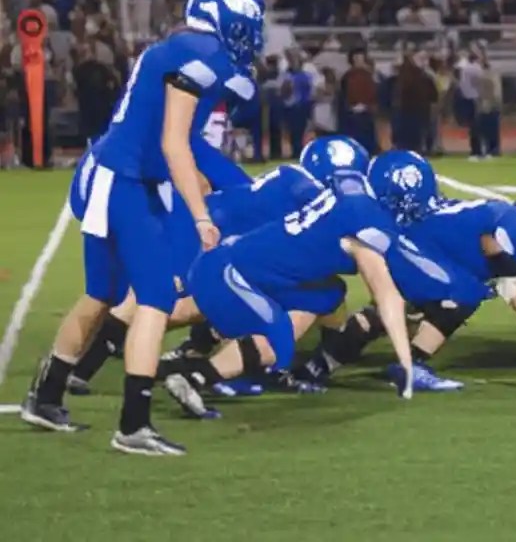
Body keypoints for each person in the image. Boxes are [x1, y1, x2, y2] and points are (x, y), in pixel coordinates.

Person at [21, 0, 263, 455]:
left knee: (102, 294)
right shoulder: (202, 54)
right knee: (154, 296)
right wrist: (199, 215)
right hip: (125, 180)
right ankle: (134, 424)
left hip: (115, 172)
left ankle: (45, 396)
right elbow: (174, 143)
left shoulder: (181, 44)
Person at [66, 136, 371, 395]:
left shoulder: (291, 176)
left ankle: (85, 368)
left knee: (167, 302)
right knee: (170, 304)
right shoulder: (315, 198)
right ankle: (224, 370)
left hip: (202, 223)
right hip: (211, 235)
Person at [162, 167, 420, 419]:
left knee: (327, 295)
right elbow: (388, 297)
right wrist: (406, 363)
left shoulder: (348, 194)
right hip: (234, 274)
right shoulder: (368, 226)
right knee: (276, 339)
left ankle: (180, 355)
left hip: (240, 262)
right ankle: (190, 374)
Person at [293, 183, 516, 392]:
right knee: (461, 293)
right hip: (409, 242)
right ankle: (408, 365)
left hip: (419, 245)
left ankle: (316, 369)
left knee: (408, 306)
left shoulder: (512, 224)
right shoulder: (511, 234)